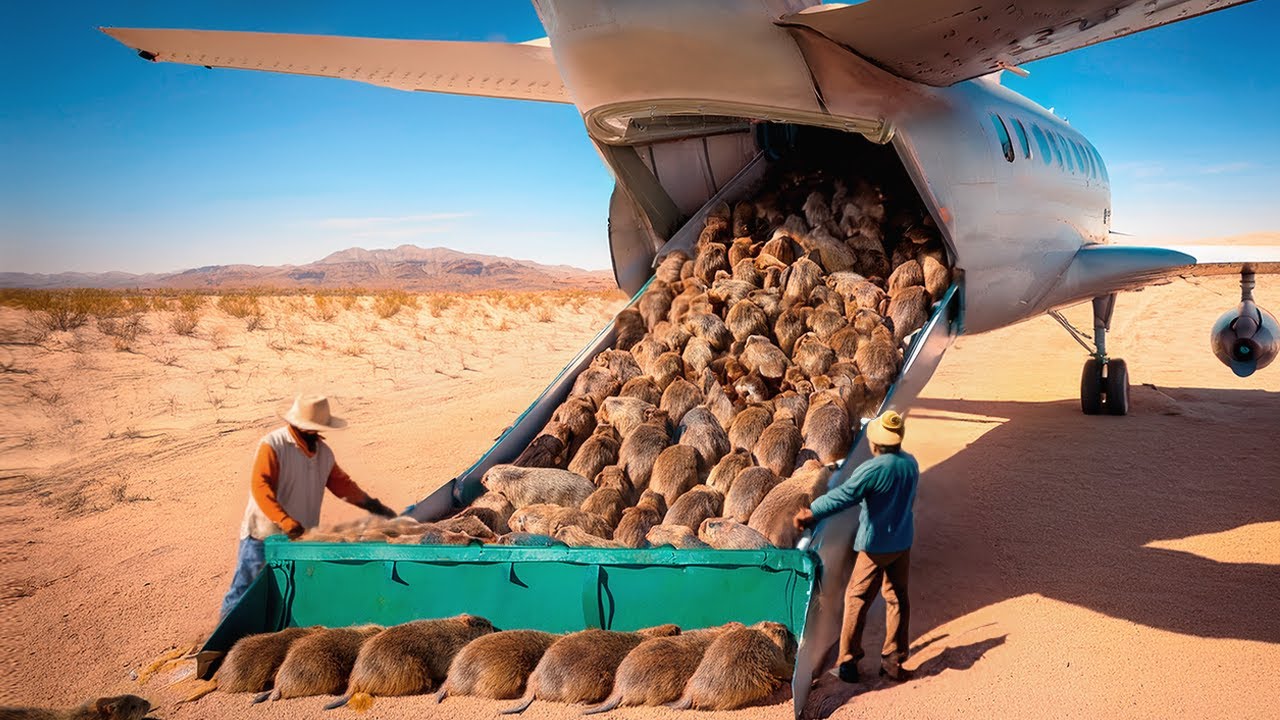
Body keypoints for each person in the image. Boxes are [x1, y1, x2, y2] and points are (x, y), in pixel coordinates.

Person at [220, 394, 397, 618]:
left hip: (299, 537)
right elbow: (260, 486)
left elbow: (342, 485)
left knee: (289, 587)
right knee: (245, 586)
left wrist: (373, 505)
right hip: (263, 534)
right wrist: (284, 521)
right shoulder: (273, 445)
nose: (314, 432)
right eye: (310, 428)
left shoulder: (323, 453)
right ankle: (222, 639)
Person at [793, 410, 919, 683]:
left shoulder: (873, 469)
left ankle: (848, 663)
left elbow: (843, 496)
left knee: (856, 598)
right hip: (902, 541)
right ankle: (893, 663)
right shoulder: (910, 463)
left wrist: (811, 511)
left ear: (875, 444)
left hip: (875, 545)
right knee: (898, 599)